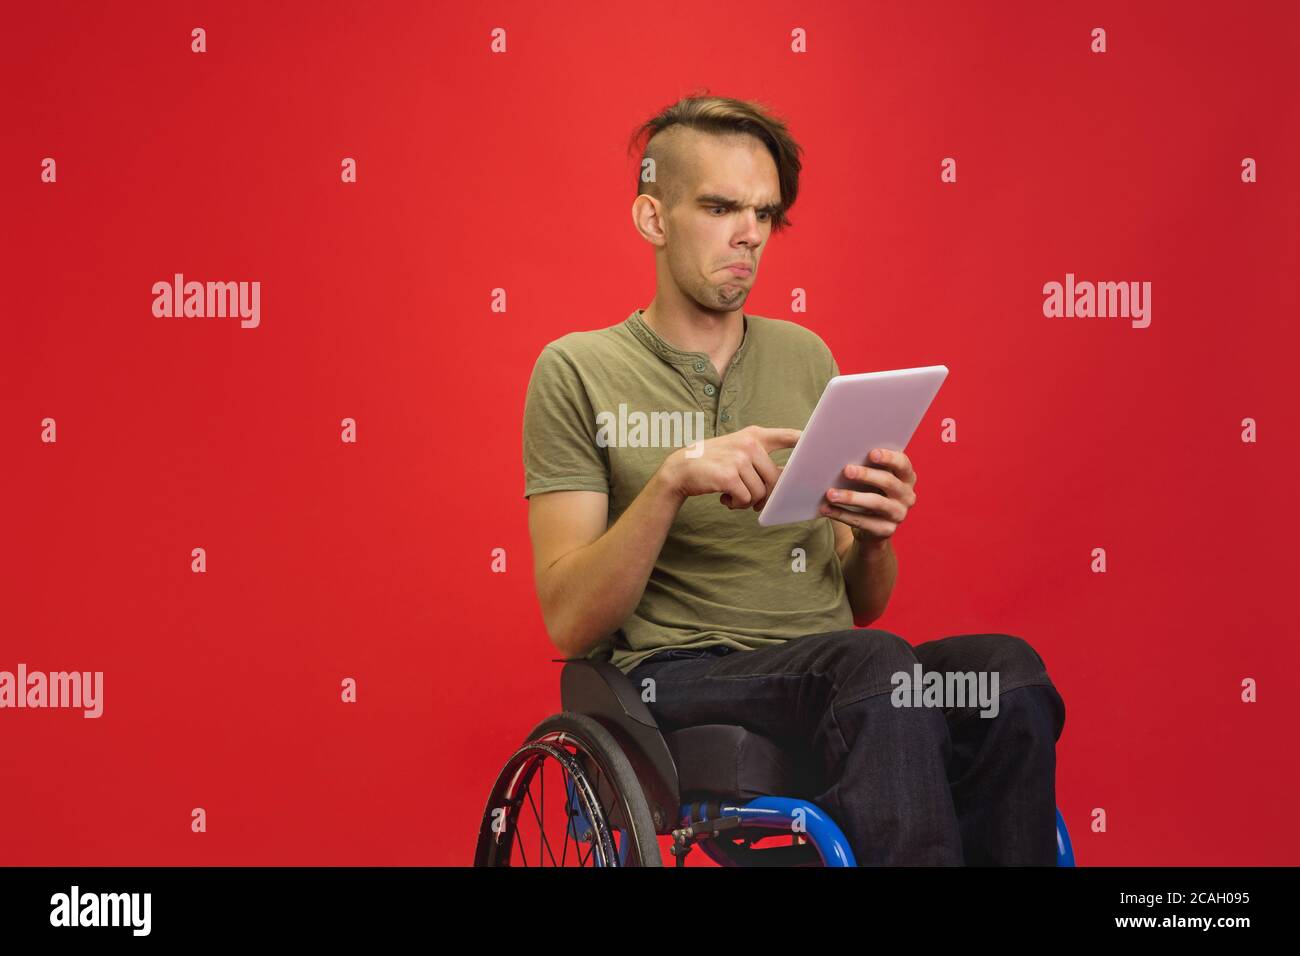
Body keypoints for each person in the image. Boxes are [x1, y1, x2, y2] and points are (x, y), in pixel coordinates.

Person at [521, 93, 1065, 865]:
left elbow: (863, 605)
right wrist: (671, 479)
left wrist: (874, 536)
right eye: (718, 207)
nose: (748, 234)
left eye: (765, 213)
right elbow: (570, 621)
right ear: (653, 218)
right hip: (676, 675)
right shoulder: (576, 369)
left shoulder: (805, 357)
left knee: (1005, 674)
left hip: (830, 668)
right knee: (872, 670)